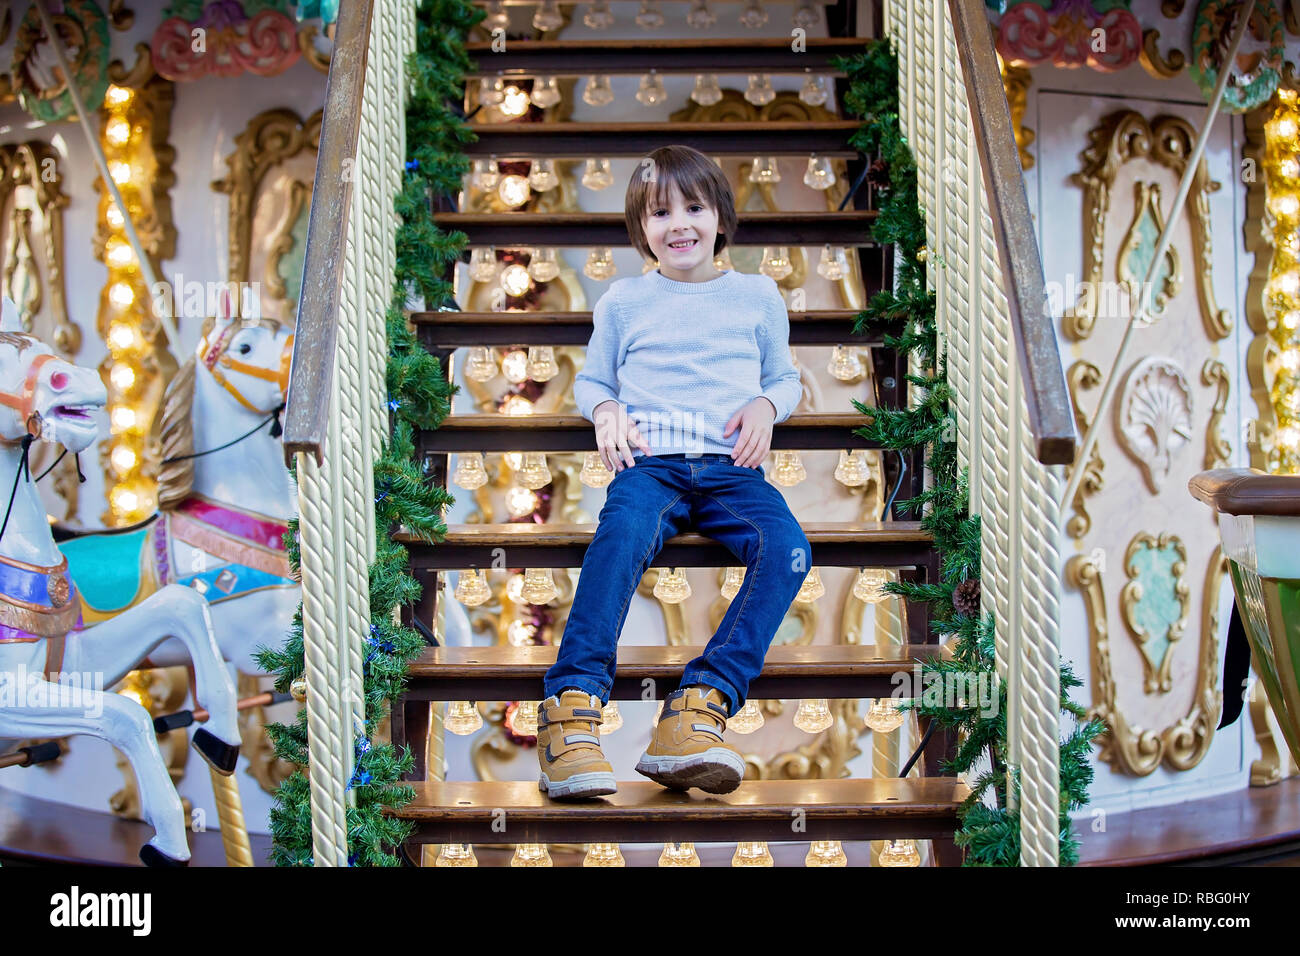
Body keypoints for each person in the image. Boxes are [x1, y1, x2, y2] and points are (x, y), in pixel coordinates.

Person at [536, 145, 810, 800]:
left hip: (732, 471)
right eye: (660, 212)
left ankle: (698, 707)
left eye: (694, 206)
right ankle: (571, 712)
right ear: (641, 228)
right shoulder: (624, 301)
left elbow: (783, 377)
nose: (679, 223)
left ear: (720, 216)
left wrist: (769, 405)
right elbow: (595, 379)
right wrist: (604, 411)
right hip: (650, 466)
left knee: (790, 551)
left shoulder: (757, 296)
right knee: (621, 538)